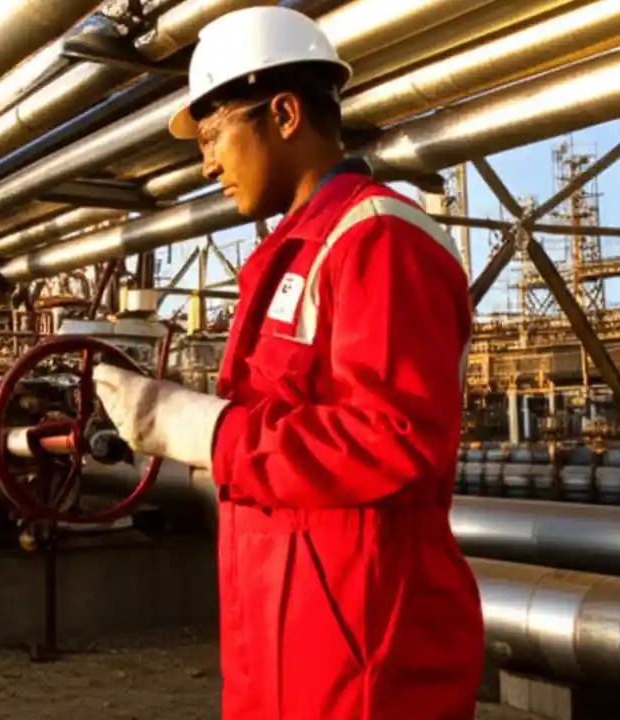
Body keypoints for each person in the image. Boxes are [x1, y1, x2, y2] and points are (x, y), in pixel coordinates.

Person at [93, 6, 483, 719]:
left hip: (364, 658)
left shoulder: (378, 239)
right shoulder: (290, 257)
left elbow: (391, 440)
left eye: (213, 135)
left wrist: (206, 430)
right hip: (284, 647)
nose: (206, 163)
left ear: (282, 113)